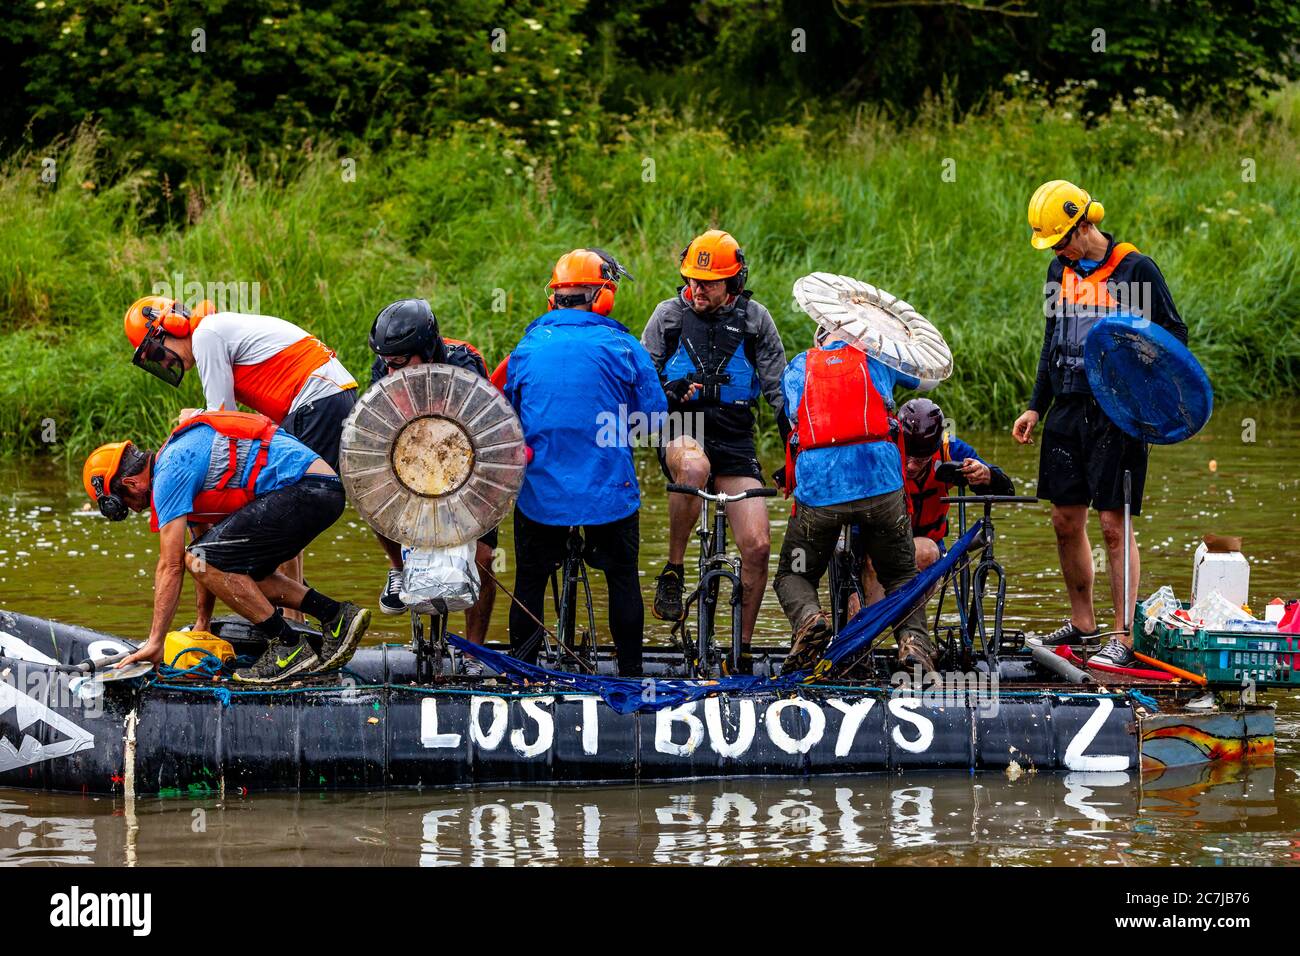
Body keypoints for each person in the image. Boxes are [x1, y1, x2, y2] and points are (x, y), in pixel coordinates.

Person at [1014, 180, 1188, 667]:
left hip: (1119, 412)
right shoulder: (1058, 270)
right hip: (1067, 409)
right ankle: (1083, 624)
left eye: (1062, 239)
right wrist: (1035, 405)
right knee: (1064, 520)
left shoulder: (1137, 269)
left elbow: (1175, 335)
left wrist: (1142, 385)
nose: (1059, 250)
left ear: (1085, 222)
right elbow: (1053, 341)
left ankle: (1123, 635)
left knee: (1115, 525)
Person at [82, 410, 371, 683]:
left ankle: (289, 645)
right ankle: (335, 615)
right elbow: (205, 549)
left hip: (307, 489)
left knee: (197, 560)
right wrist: (202, 623)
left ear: (131, 483)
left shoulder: (170, 471)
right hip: (321, 490)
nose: (134, 510)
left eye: (122, 505)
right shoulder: (177, 465)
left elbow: (171, 565)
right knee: (240, 571)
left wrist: (156, 642)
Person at [124, 296, 359, 618]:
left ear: (171, 326)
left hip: (317, 399)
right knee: (286, 511)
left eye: (154, 352)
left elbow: (223, 425)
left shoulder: (207, 335)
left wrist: (192, 420)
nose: (162, 363)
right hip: (327, 398)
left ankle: (294, 621)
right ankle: (295, 616)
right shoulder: (216, 331)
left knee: (284, 506)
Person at [503, 248, 666, 677]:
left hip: (541, 497)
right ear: (604, 298)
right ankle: (631, 676)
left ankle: (523, 677)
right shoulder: (624, 346)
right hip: (608, 495)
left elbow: (505, 418)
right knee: (622, 577)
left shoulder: (526, 348)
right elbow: (652, 420)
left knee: (530, 582)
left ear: (553, 298)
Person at [640, 230, 789, 669]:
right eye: (692, 279)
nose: (697, 289)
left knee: (758, 545)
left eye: (709, 282)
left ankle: (738, 651)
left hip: (735, 438)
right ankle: (673, 569)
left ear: (734, 283)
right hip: (681, 428)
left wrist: (795, 447)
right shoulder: (667, 316)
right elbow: (643, 383)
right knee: (694, 467)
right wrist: (669, 389)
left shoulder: (756, 320)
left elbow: (779, 391)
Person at [773, 328, 936, 674]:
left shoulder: (800, 365)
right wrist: (889, 342)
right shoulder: (877, 358)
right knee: (901, 574)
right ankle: (914, 643)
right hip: (882, 490)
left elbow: (791, 419)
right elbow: (925, 382)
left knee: (794, 571)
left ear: (820, 339)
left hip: (820, 494)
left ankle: (810, 619)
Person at [366, 298, 499, 663]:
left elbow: (484, 428)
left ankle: (475, 653)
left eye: (399, 363)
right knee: (369, 491)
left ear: (426, 350)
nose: (391, 371)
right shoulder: (385, 369)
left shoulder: (465, 363)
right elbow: (379, 429)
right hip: (414, 460)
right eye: (386, 364)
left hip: (468, 464)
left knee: (484, 558)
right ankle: (399, 568)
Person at [857, 397, 1015, 603]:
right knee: (871, 561)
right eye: (907, 457)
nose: (912, 467)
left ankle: (913, 631)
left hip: (926, 548)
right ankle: (865, 625)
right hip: (877, 548)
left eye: (921, 460)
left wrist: (987, 475)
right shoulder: (880, 448)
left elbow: (1007, 490)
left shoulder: (950, 448)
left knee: (927, 552)